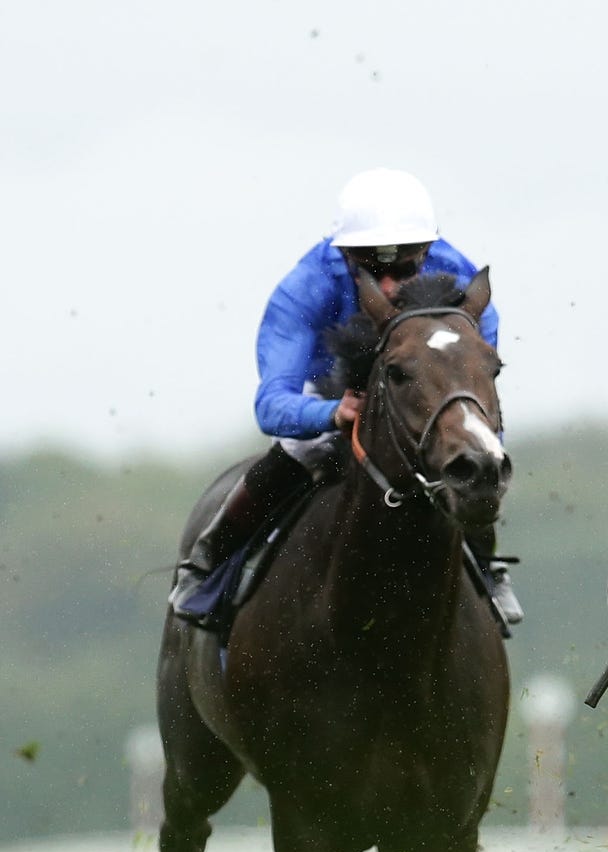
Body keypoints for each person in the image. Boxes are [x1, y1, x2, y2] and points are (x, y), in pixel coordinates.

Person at [168, 168, 520, 626]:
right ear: (346, 256)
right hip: (332, 386)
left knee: (474, 456)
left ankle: (487, 567)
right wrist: (332, 411)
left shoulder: (459, 277)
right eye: (373, 268)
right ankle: (209, 559)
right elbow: (271, 404)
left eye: (405, 268)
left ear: (427, 252)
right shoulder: (305, 287)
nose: (390, 286)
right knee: (303, 447)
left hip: (419, 396)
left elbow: (475, 385)